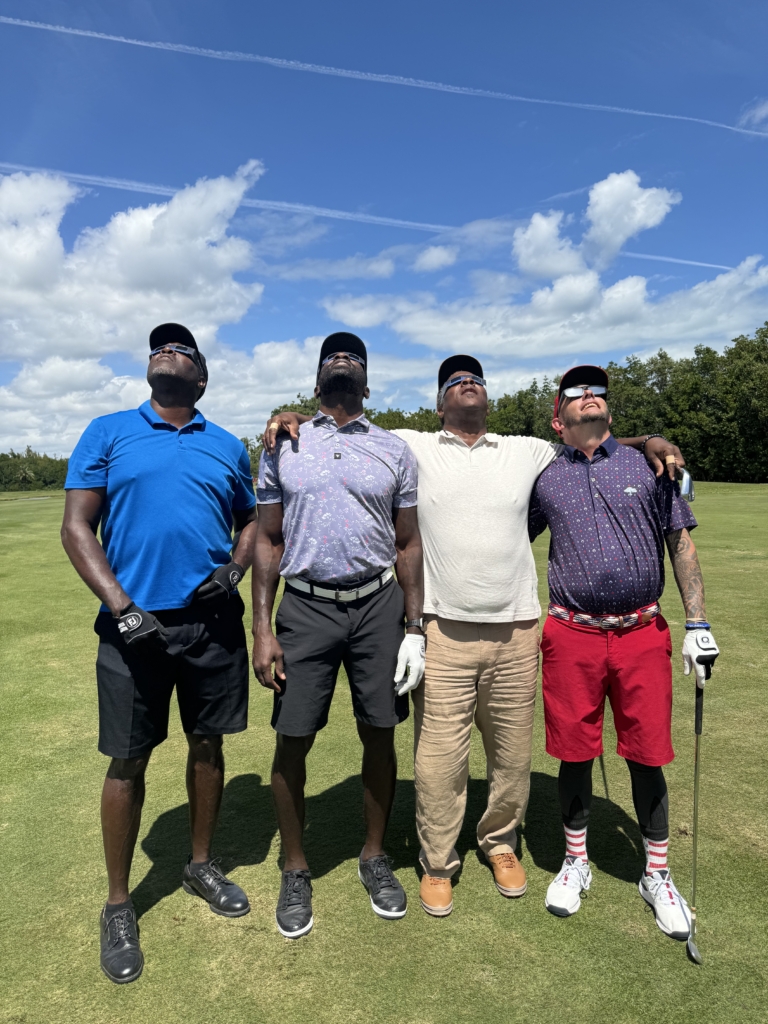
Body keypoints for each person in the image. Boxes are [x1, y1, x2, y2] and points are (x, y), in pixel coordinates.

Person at [263, 354, 684, 917]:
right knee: (439, 756)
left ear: (487, 396)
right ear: (440, 404)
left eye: (476, 380)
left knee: (510, 754)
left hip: (516, 628)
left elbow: (592, 437)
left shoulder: (526, 450)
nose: (467, 385)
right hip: (441, 628)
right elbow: (340, 423)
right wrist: (289, 414)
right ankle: (438, 860)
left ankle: (500, 843)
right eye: (454, 382)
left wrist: (649, 439)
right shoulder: (409, 444)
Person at [61, 323, 257, 984]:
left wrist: (236, 569)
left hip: (211, 624)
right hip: (131, 628)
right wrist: (122, 605)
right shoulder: (109, 431)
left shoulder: (228, 445)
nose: (167, 349)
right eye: (160, 345)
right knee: (128, 758)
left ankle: (200, 864)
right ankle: (119, 904)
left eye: (183, 348)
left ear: (201, 379)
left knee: (209, 745)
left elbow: (253, 519)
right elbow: (76, 525)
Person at [528, 365, 719, 939]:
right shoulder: (545, 475)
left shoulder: (651, 465)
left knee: (647, 752)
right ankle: (576, 860)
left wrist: (699, 623)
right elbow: (508, 535)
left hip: (640, 633)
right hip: (572, 634)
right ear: (559, 417)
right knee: (574, 751)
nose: (592, 398)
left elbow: (679, 544)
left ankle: (656, 875)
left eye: (599, 392)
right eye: (577, 394)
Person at [252, 332, 425, 939]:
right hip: (306, 608)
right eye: (331, 356)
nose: (342, 360)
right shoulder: (284, 442)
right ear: (317, 377)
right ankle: (295, 866)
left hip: (377, 606)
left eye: (353, 356)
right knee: (291, 737)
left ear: (368, 383)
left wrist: (414, 626)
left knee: (380, 732)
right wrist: (261, 627)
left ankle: (374, 855)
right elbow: (267, 540)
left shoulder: (394, 449)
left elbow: (407, 543)